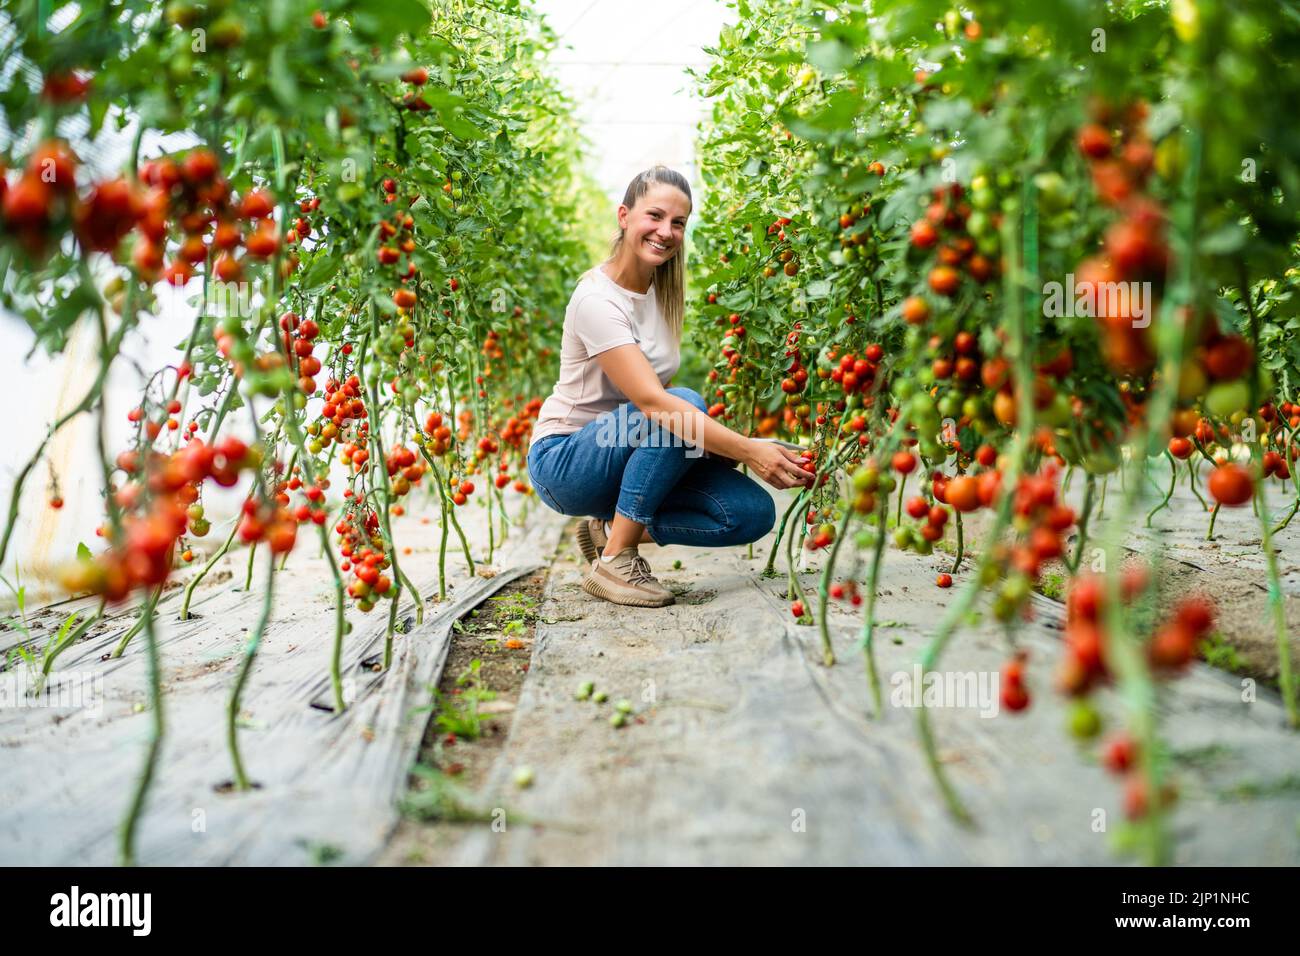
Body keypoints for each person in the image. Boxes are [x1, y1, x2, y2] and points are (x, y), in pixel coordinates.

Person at [526, 166, 813, 608]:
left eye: (678, 223)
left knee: (751, 513)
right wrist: (746, 450)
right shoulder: (597, 300)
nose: (666, 231)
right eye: (655, 216)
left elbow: (661, 420)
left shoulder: (661, 291)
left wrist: (733, 447)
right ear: (624, 216)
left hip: (624, 454)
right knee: (682, 404)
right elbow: (654, 403)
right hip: (567, 462)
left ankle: (610, 529)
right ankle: (616, 559)